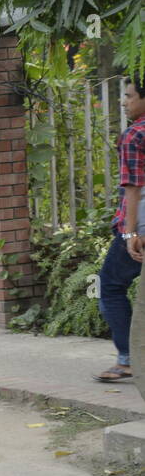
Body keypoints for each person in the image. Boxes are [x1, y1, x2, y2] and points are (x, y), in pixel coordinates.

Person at [98, 74, 145, 382]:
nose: (124, 101)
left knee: (110, 286)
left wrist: (129, 235)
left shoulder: (134, 135)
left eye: (129, 96)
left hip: (139, 228)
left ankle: (128, 359)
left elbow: (133, 188)